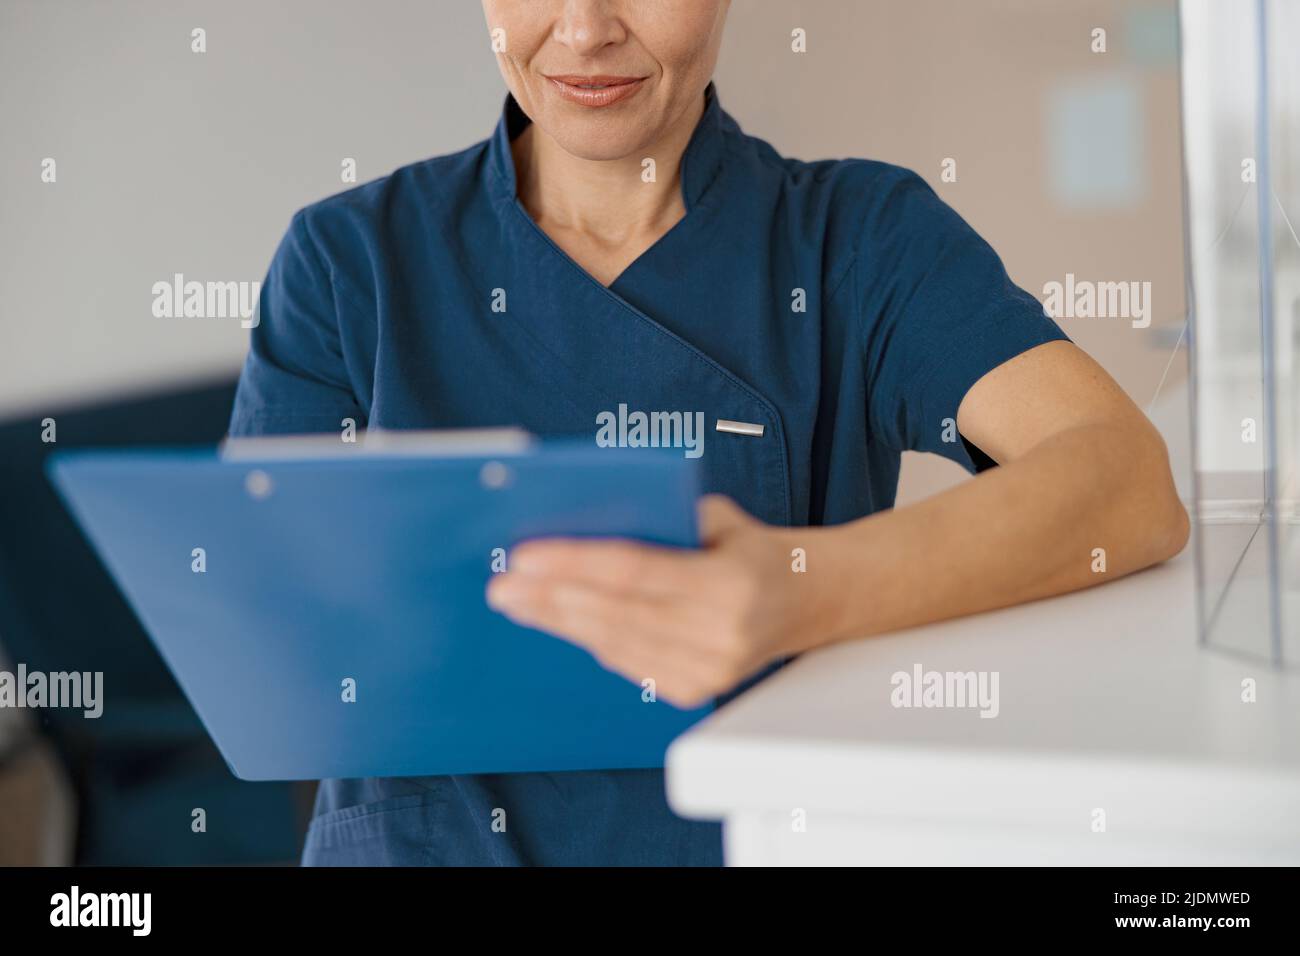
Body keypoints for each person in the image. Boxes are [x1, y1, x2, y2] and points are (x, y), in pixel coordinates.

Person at [229, 0, 1189, 866]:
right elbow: (271, 644)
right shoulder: (347, 261)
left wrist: (802, 593)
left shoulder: (858, 237)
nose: (584, 28)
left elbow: (1126, 483)